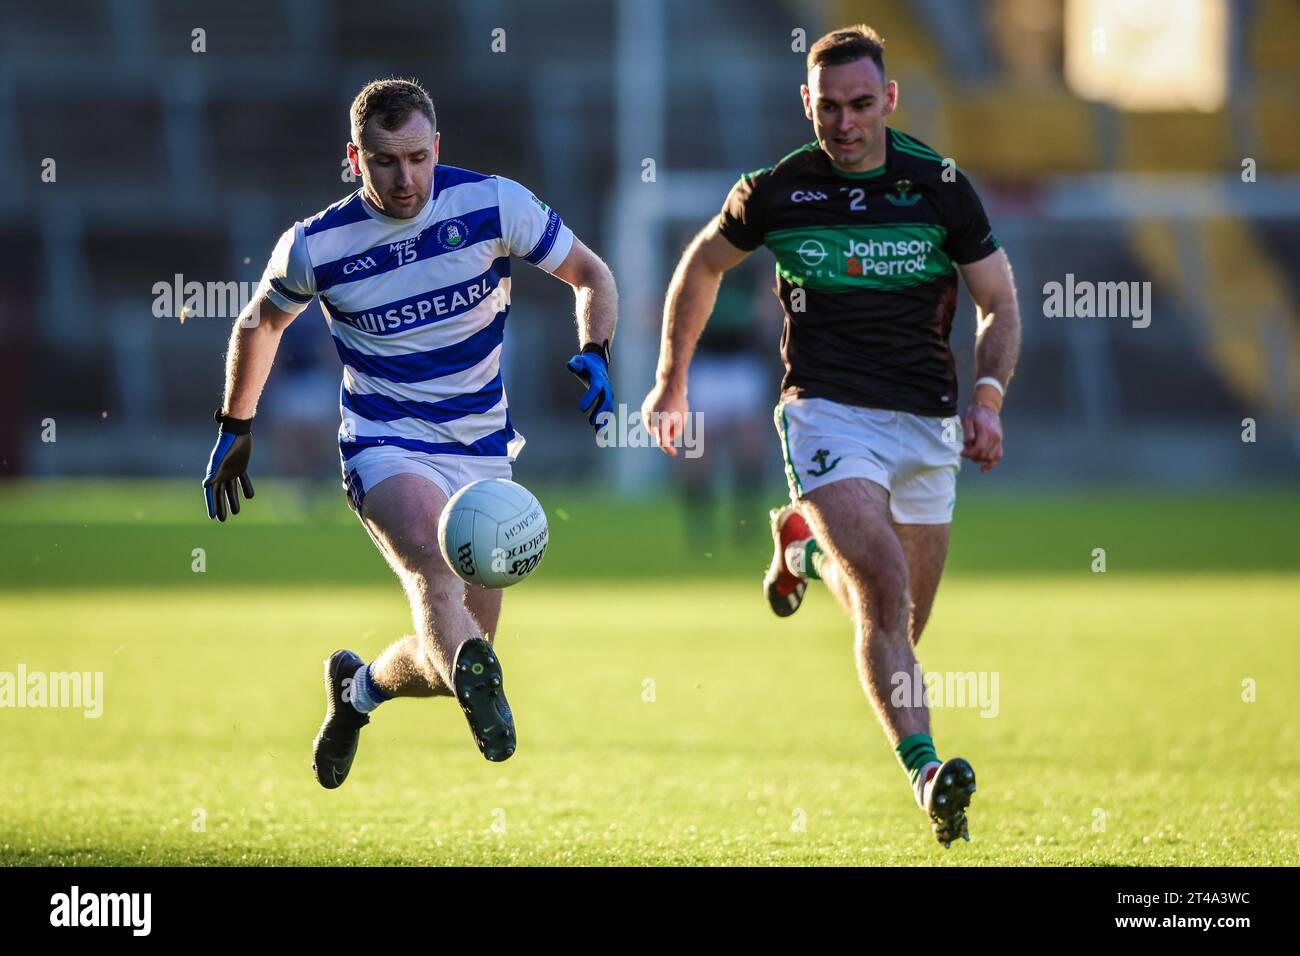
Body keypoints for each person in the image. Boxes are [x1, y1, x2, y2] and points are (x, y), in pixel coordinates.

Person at [640, 26, 1021, 846]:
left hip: (927, 425)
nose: (843, 125)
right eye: (827, 109)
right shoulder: (777, 190)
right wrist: (671, 380)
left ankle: (802, 547)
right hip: (826, 413)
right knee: (883, 589)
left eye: (859, 105)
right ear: (804, 104)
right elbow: (702, 266)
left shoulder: (941, 187)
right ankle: (926, 775)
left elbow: (1000, 300)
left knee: (899, 626)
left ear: (889, 99)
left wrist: (987, 398)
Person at [201, 78, 617, 787]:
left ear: (437, 147)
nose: (405, 178)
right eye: (384, 161)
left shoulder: (492, 204)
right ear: (353, 158)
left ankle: (357, 690)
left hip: (483, 450)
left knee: (457, 654)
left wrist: (597, 349)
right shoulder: (317, 244)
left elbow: (591, 274)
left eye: (418, 157)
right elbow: (260, 323)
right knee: (432, 563)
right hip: (383, 443)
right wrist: (236, 424)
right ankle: (475, 700)